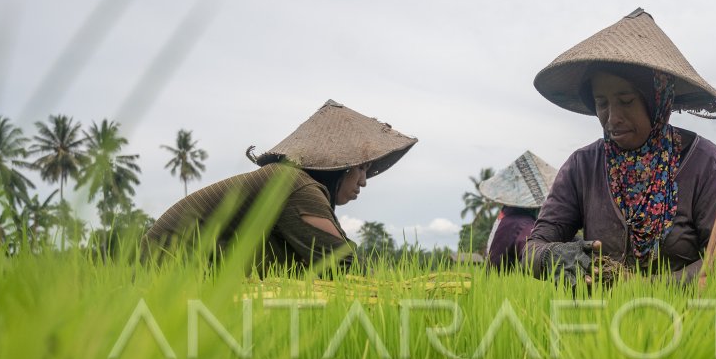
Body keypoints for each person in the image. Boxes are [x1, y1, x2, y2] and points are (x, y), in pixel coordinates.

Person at [525, 8, 716, 285]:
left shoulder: (704, 162)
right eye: (602, 104)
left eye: (626, 101)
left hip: (685, 322)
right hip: (603, 323)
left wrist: (640, 289)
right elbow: (533, 248)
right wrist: (553, 256)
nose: (612, 118)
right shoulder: (583, 166)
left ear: (658, 101)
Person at [144, 100, 417, 270]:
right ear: (342, 165)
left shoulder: (289, 182)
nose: (363, 182)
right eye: (361, 168)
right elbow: (341, 263)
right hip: (161, 283)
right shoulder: (292, 184)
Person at [478, 150, 558, 269]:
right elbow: (537, 256)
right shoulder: (523, 225)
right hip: (505, 284)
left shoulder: (506, 216)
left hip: (494, 281)